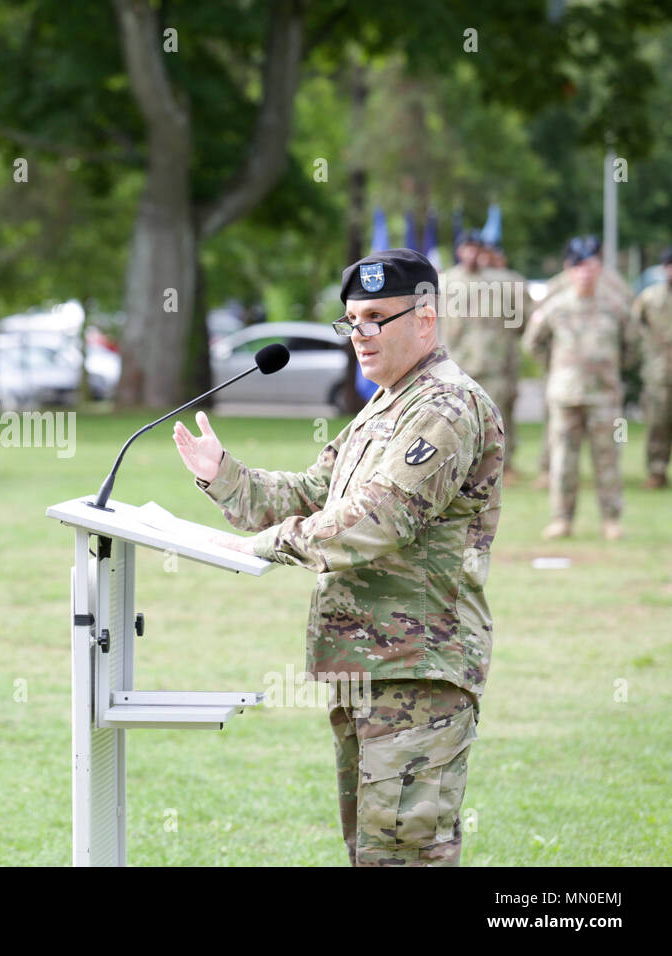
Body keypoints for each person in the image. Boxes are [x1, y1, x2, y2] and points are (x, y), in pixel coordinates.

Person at [175, 248, 503, 867]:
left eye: (376, 317)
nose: (360, 334)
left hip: (417, 671)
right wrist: (223, 477)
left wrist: (262, 544)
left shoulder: (444, 407)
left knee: (405, 856)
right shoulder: (384, 405)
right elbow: (311, 496)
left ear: (425, 319)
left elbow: (375, 523)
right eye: (351, 320)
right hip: (368, 665)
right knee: (373, 853)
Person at [523, 236, 641, 540]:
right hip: (565, 396)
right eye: (579, 267)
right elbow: (533, 342)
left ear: (599, 268)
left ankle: (611, 520)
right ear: (570, 271)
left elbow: (633, 345)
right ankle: (562, 519)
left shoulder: (615, 305)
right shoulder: (556, 306)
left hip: (605, 396)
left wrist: (610, 370)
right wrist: (557, 369)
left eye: (590, 266)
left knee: (608, 458)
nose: (585, 273)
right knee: (563, 461)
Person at [440, 231, 525, 479]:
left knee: (499, 419)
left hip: (495, 364)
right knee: (456, 419)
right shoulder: (444, 284)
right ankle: (455, 467)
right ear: (459, 251)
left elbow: (518, 323)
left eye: (477, 248)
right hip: (458, 366)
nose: (472, 254)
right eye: (467, 248)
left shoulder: (504, 284)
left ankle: (502, 467)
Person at [633, 248, 672, 489]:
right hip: (659, 372)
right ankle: (656, 471)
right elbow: (634, 328)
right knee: (658, 423)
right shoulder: (649, 298)